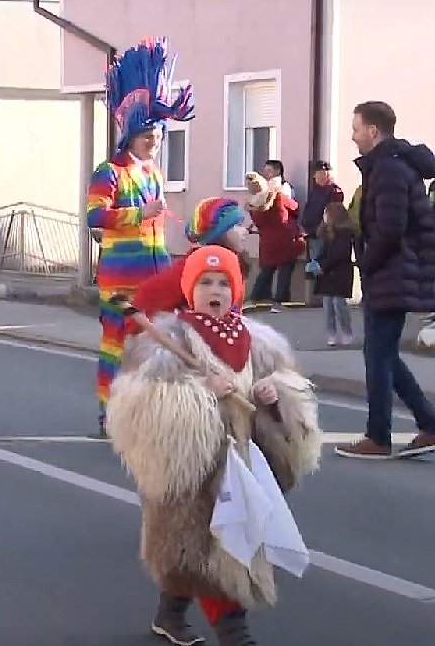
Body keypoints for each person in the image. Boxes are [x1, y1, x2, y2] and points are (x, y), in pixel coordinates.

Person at [108, 245, 322, 646]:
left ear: (235, 290)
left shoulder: (260, 342)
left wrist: (273, 394)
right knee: (203, 545)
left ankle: (171, 615)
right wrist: (201, 392)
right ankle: (232, 632)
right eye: (205, 282)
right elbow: (145, 399)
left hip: (243, 459)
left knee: (218, 543)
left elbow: (290, 386)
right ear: (190, 290)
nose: (214, 290)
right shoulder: (167, 340)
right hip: (196, 465)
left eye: (223, 282)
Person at [88, 38, 194, 438]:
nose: (154, 141)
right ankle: (108, 415)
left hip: (155, 276)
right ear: (131, 135)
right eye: (147, 134)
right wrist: (137, 214)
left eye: (159, 134)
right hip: (119, 280)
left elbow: (156, 223)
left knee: (153, 346)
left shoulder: (154, 174)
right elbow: (95, 216)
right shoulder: (109, 171)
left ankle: (144, 414)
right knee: (116, 346)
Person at [335, 100, 435, 459]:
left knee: (378, 355)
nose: (353, 136)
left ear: (373, 131)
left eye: (356, 128)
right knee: (383, 353)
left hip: (393, 273)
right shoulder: (390, 165)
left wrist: (367, 263)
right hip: (395, 273)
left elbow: (391, 228)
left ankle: (378, 436)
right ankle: (429, 425)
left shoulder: (388, 169)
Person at [129, 197, 250, 319]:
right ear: (219, 232)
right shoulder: (196, 266)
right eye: (237, 225)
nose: (245, 231)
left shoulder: (230, 261)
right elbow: (147, 297)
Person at [243, 172, 304, 312]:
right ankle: (280, 300)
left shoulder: (252, 204)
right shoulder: (278, 196)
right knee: (285, 269)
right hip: (286, 238)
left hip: (268, 241)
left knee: (267, 269)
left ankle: (257, 297)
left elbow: (258, 222)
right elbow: (295, 208)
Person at [312, 202, 356, 346]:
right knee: (328, 304)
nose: (324, 216)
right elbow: (323, 252)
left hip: (340, 273)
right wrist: (316, 263)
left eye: (326, 213)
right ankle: (331, 334)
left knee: (339, 303)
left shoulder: (345, 234)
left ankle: (347, 331)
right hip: (327, 274)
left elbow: (339, 254)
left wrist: (323, 265)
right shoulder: (325, 232)